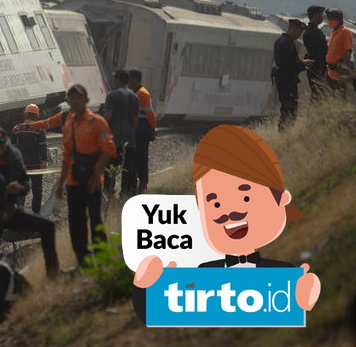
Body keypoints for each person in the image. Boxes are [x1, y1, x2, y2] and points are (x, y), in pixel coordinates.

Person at [132, 125, 321, 321]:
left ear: (281, 198)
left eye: (245, 197)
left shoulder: (284, 275)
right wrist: (147, 288)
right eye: (215, 203)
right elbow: (161, 308)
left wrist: (304, 298)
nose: (229, 212)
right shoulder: (204, 273)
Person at [0, 127, 60, 278]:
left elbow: (25, 183)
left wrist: (20, 189)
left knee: (48, 226)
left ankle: (53, 274)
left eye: (2, 146)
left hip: (12, 211)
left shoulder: (13, 156)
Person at [55, 84, 116, 267]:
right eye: (71, 98)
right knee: (76, 222)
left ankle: (102, 259)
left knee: (95, 218)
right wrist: (60, 183)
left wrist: (96, 175)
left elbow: (107, 150)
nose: (74, 101)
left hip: (92, 181)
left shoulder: (97, 122)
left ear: (86, 100)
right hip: (73, 181)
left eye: (78, 97)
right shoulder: (68, 124)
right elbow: (66, 155)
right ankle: (84, 261)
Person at [103, 69, 139, 197]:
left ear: (118, 80)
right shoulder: (134, 96)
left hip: (114, 141)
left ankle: (109, 194)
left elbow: (108, 115)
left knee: (109, 170)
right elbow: (135, 120)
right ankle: (126, 195)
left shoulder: (112, 96)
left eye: (114, 79)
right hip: (129, 141)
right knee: (128, 171)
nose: (113, 82)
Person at [273, 18, 313, 131]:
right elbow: (289, 64)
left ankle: (285, 132)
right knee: (289, 110)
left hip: (286, 79)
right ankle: (284, 133)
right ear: (294, 30)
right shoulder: (286, 43)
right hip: (286, 81)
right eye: (299, 33)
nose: (299, 36)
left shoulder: (285, 41)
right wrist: (303, 63)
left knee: (289, 110)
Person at [10, 104, 48, 213]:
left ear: (25, 114)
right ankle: (36, 212)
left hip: (21, 166)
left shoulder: (17, 128)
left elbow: (11, 147)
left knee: (21, 188)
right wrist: (44, 160)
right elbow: (42, 145)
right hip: (36, 165)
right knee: (37, 190)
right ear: (36, 116)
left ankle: (20, 210)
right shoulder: (39, 129)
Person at [127, 70, 157, 193]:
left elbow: (150, 113)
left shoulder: (142, 94)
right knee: (135, 160)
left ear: (135, 80)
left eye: (129, 79)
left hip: (142, 132)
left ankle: (143, 184)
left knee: (141, 159)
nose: (127, 82)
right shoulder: (136, 93)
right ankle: (136, 186)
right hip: (136, 132)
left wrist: (153, 129)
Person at [325, 8, 354, 97]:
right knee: (330, 97)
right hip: (330, 72)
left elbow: (348, 51)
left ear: (339, 19)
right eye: (329, 18)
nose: (330, 21)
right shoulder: (333, 32)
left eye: (332, 18)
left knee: (339, 97)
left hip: (338, 73)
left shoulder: (345, 32)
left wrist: (343, 68)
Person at [303, 5, 329, 101]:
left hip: (319, 65)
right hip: (316, 66)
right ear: (315, 16)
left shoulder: (315, 30)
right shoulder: (311, 32)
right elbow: (318, 51)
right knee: (317, 94)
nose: (322, 17)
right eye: (320, 14)